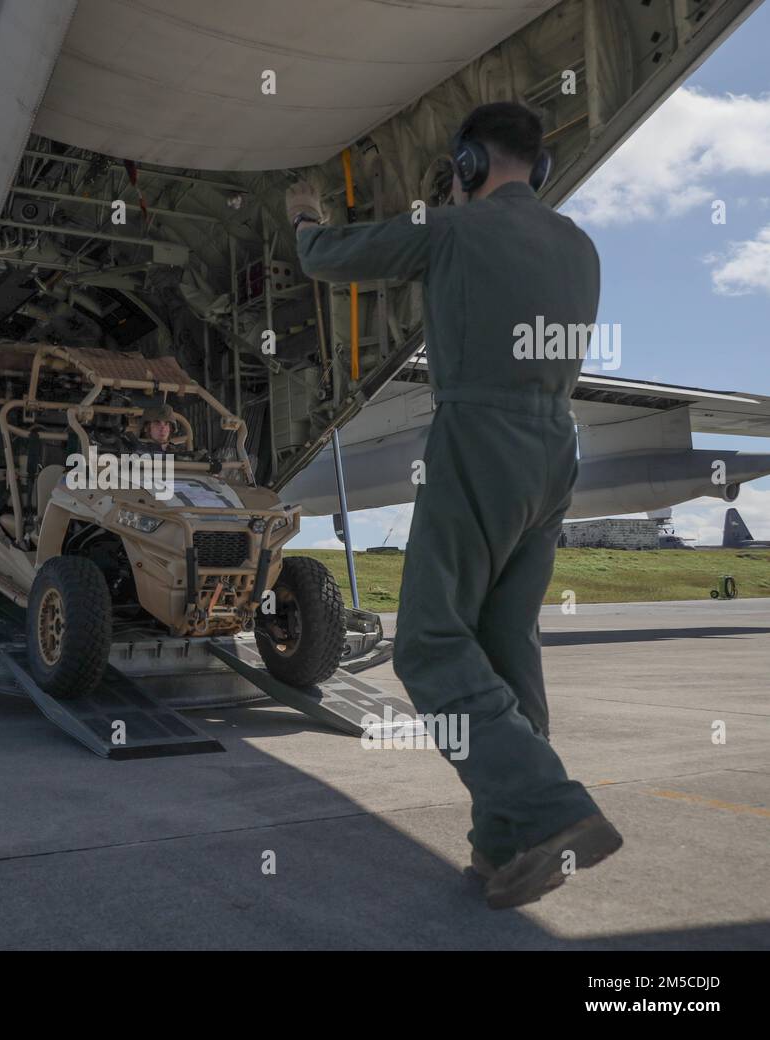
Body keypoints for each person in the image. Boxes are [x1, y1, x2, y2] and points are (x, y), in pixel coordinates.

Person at [287, 101, 622, 909]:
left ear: (468, 164)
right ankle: (505, 846)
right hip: (553, 451)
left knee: (431, 644)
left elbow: (331, 260)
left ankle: (551, 810)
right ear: (539, 169)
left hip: (478, 435)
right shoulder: (581, 246)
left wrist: (303, 221)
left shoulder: (448, 231)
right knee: (508, 646)